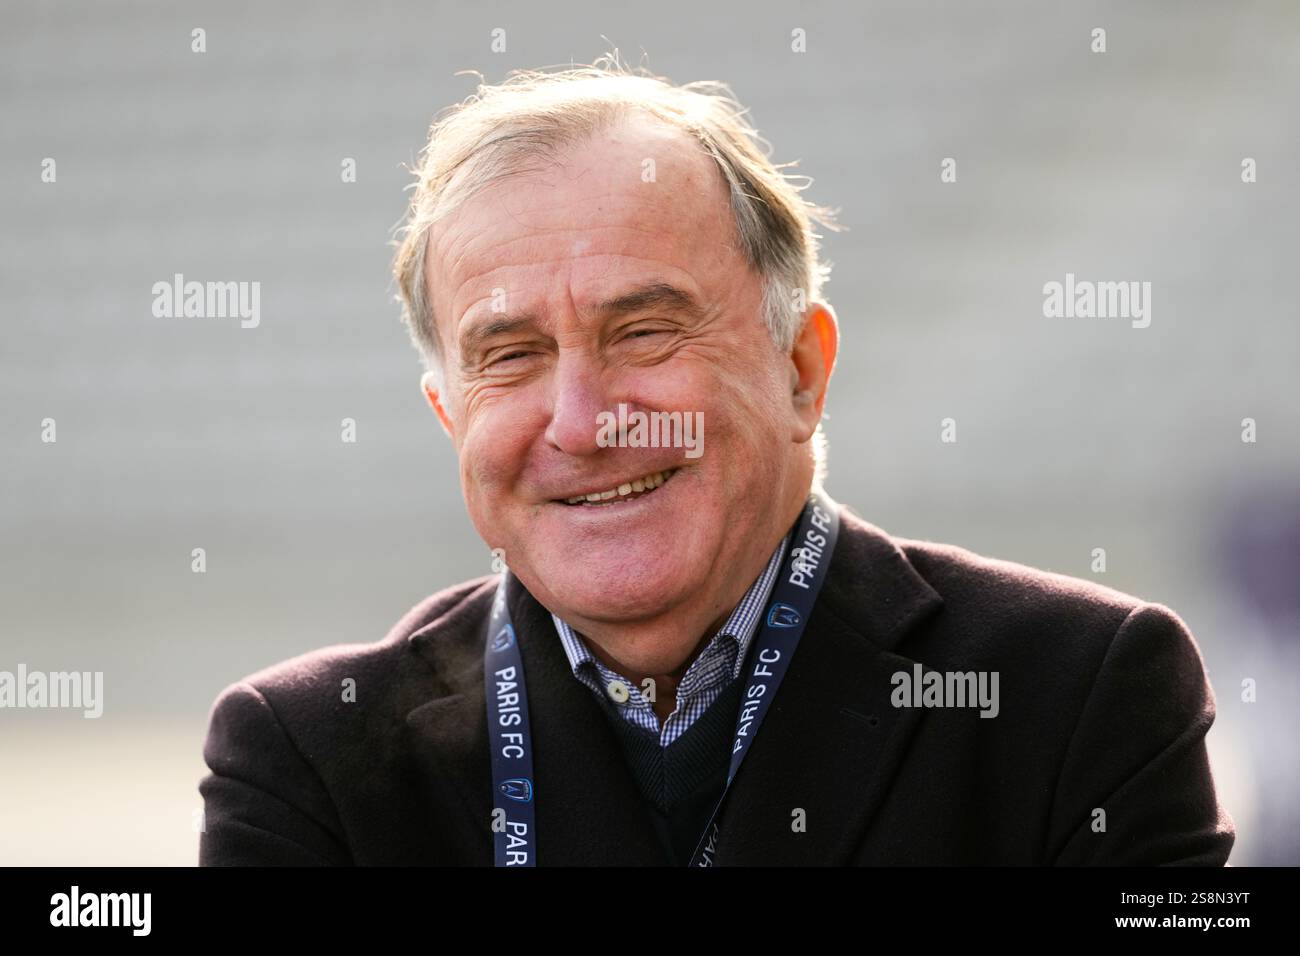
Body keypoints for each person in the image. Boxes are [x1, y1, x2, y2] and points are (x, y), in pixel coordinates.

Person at [198, 61, 1235, 866]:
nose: (581, 419)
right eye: (509, 355)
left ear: (799, 370)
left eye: (644, 331)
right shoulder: (308, 757)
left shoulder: (1076, 689)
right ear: (450, 416)